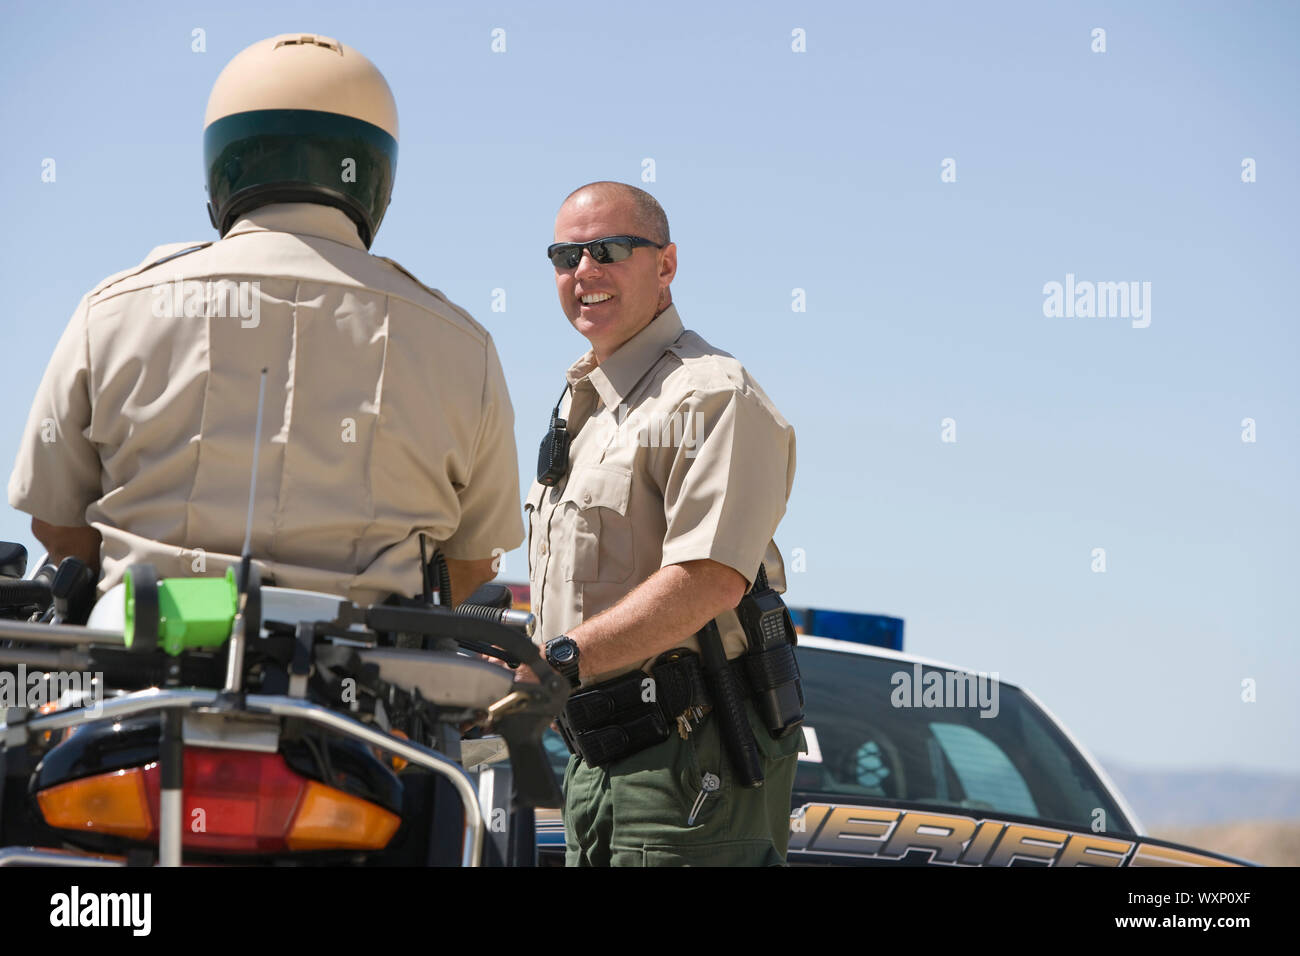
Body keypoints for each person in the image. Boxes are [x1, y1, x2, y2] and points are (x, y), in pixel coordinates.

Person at [7, 34, 521, 609]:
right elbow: (473, 564)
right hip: (373, 685)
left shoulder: (111, 310)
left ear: (224, 159)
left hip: (140, 668)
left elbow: (58, 529)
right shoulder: (462, 344)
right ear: (375, 171)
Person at [526, 181, 802, 865]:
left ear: (666, 265)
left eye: (609, 250)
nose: (583, 272)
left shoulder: (711, 394)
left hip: (689, 759)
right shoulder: (581, 410)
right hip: (594, 760)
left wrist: (559, 661)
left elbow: (708, 580)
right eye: (565, 256)